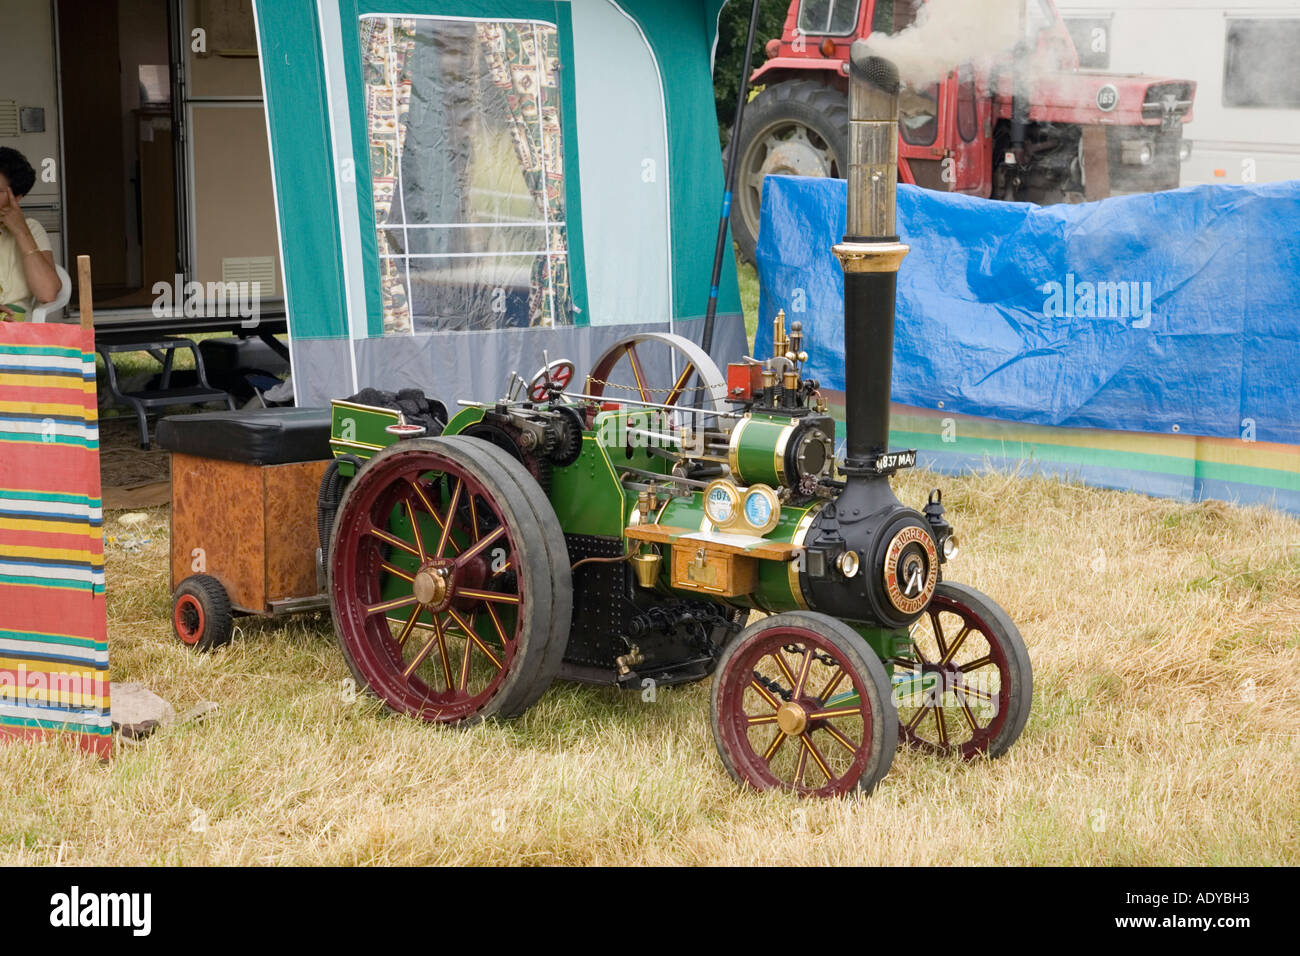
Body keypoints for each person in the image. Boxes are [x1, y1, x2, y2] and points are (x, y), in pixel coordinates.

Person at [0, 147, 61, 320]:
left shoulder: (31, 229)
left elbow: (47, 293)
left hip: (17, 336)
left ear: (17, 198)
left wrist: (21, 232)